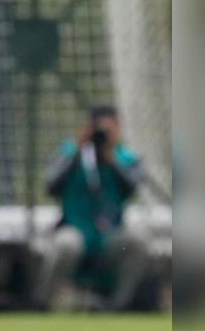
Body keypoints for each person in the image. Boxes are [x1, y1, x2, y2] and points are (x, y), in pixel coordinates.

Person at [37, 105, 148, 310]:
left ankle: (118, 306)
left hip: (109, 234)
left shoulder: (126, 157)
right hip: (75, 229)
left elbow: (131, 189)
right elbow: (50, 187)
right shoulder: (71, 152)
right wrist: (78, 152)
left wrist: (110, 157)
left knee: (136, 243)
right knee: (66, 244)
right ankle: (43, 303)